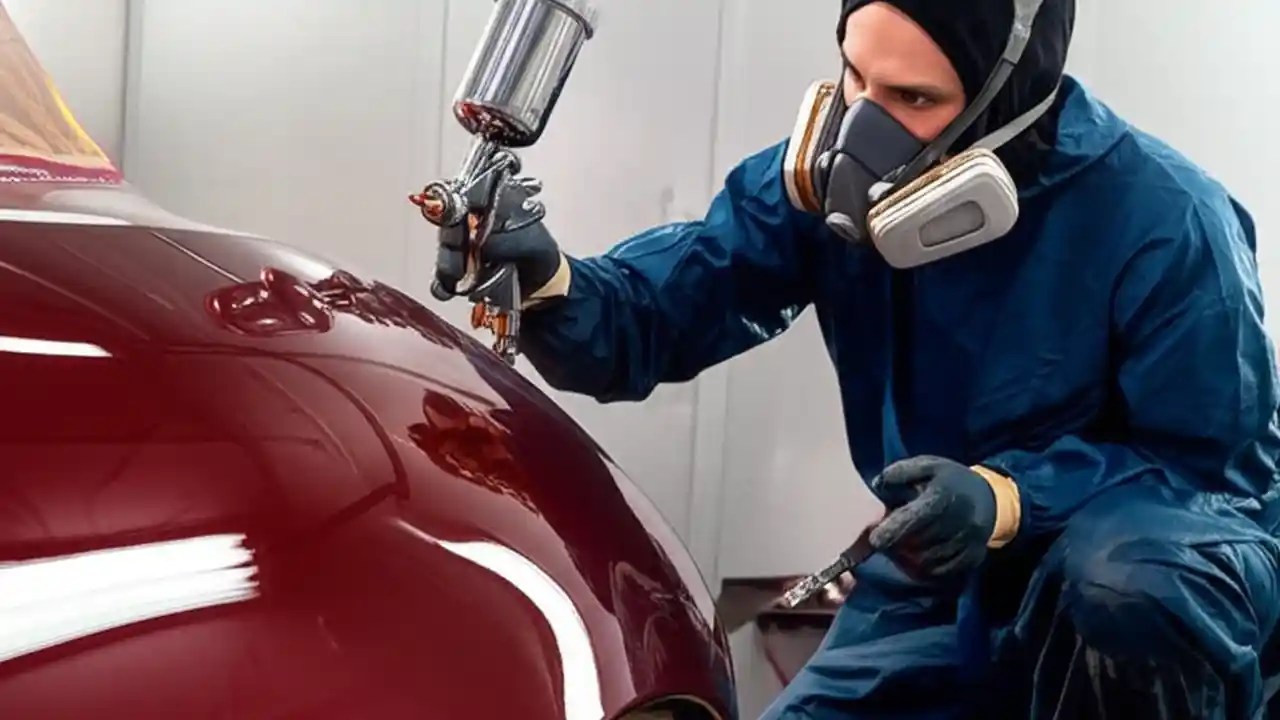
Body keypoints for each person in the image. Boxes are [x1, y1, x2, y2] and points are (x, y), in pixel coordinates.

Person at [434, 0, 1280, 717]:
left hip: (1139, 592)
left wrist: (1011, 500)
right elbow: (670, 305)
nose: (861, 128)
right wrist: (551, 281)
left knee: (1126, 581)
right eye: (855, 77)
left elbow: (1213, 479)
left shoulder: (1170, 221)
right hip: (932, 588)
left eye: (911, 97)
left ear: (1005, 99)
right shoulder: (828, 183)